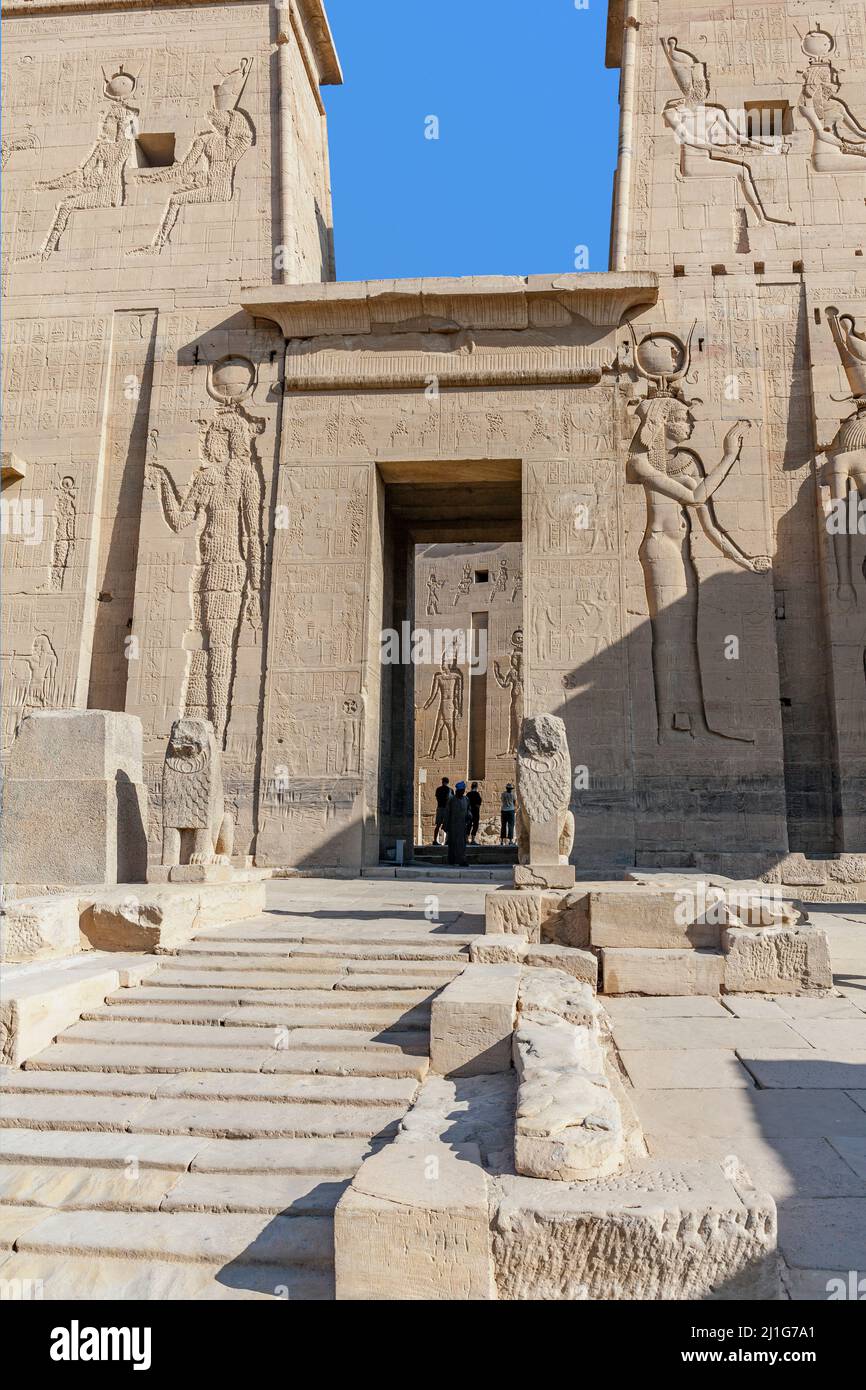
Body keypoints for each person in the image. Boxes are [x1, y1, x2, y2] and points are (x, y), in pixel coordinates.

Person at [444, 781, 470, 867]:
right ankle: (452, 859)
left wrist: (469, 816)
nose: (462, 792)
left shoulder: (466, 799)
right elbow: (447, 812)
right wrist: (446, 825)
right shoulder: (452, 800)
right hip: (453, 825)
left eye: (463, 790)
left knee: (461, 844)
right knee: (452, 843)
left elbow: (468, 810)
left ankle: (462, 860)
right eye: (461, 790)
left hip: (462, 825)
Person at [433, 776, 452, 845]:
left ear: (442, 782)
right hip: (446, 809)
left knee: (438, 825)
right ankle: (447, 840)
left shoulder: (438, 789)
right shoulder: (450, 790)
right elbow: (451, 800)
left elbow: (437, 798)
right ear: (448, 782)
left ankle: (435, 840)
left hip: (440, 808)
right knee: (448, 825)